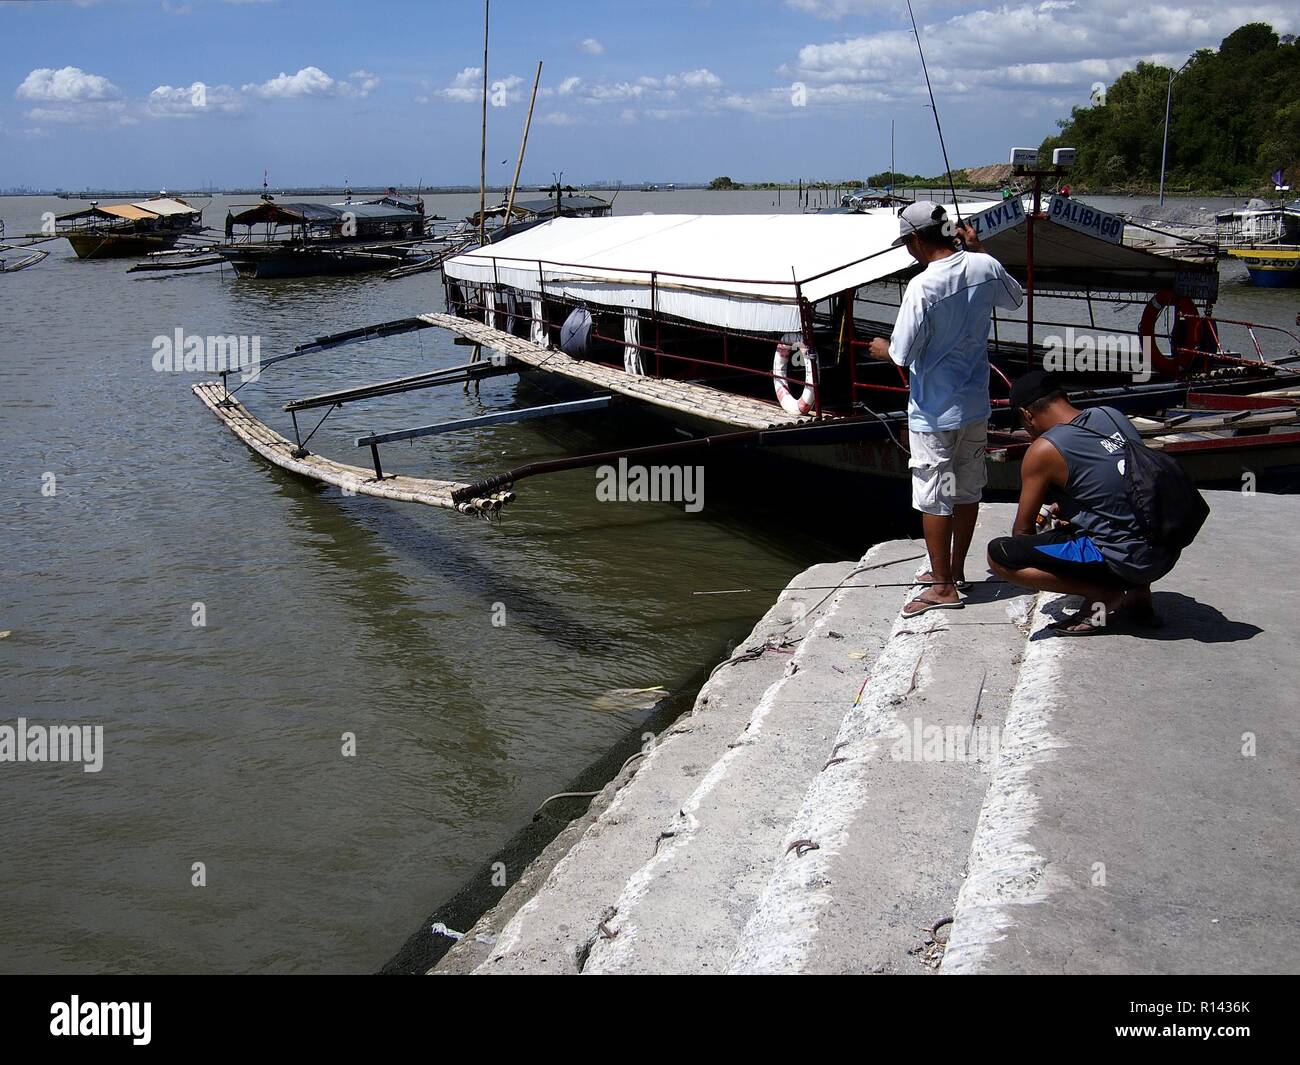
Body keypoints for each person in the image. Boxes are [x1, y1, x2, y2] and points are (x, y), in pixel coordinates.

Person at [868, 201, 1024, 616]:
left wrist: (883, 349)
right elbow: (1016, 299)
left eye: (907, 242)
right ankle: (953, 571)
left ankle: (942, 588)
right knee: (967, 488)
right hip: (976, 402)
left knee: (934, 494)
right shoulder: (983, 266)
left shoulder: (923, 285)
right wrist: (980, 249)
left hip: (935, 409)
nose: (907, 250)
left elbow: (902, 353)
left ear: (917, 239)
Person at [986, 371, 1179, 635]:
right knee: (1128, 514)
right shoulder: (1111, 415)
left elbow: (1022, 532)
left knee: (1001, 555)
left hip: (1129, 561)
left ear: (1027, 415)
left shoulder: (1043, 449)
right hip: (1166, 550)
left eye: (1023, 424)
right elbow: (1129, 485)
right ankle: (1138, 596)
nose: (1028, 431)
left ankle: (1104, 593)